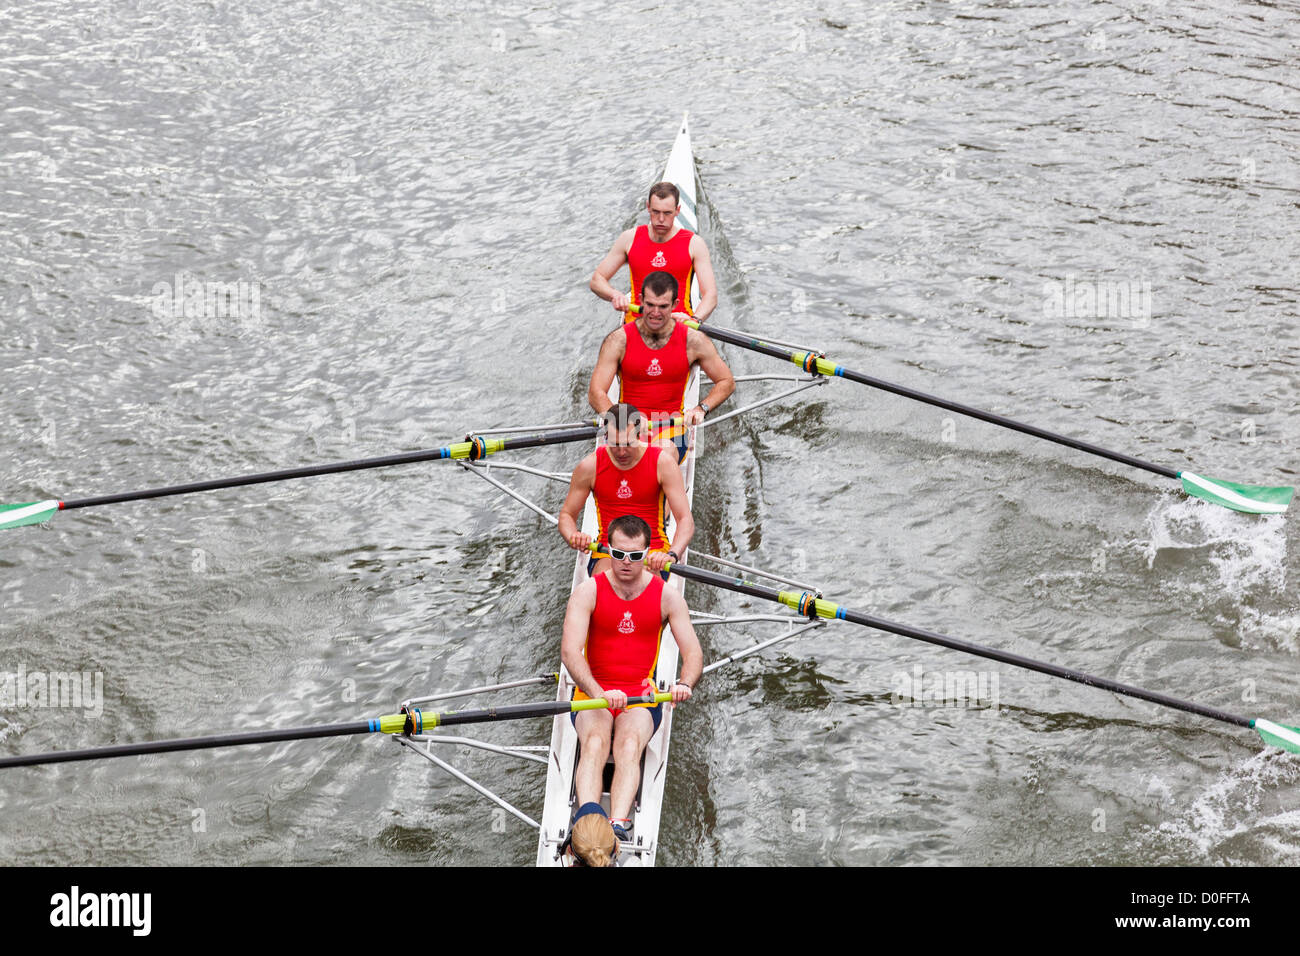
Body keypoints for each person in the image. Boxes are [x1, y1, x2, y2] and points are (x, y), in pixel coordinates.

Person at [561, 514, 703, 849]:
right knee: (595, 742)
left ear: (648, 553)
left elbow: (693, 653)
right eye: (619, 554)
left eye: (636, 556)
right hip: (593, 692)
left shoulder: (667, 597)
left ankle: (618, 823)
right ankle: (587, 821)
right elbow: (570, 653)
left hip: (640, 694)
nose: (627, 563)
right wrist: (599, 693)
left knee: (626, 745)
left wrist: (685, 682)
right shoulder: (587, 592)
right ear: (607, 550)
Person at [586, 271, 735, 462]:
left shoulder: (693, 341)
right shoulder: (618, 340)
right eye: (650, 305)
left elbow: (726, 381)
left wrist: (701, 409)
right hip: (626, 426)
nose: (655, 313)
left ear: (675, 305)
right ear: (640, 301)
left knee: (659, 457)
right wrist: (620, 422)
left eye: (663, 307)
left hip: (671, 427)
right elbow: (596, 393)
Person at [558, 403, 692, 576]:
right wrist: (573, 535)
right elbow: (566, 515)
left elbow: (685, 520)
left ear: (640, 435)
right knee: (607, 586)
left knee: (641, 588)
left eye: (628, 443)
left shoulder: (662, 463)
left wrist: (672, 555)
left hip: (652, 552)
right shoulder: (589, 466)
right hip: (607, 551)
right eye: (615, 444)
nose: (621, 452)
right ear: (605, 436)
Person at [589, 181, 717, 323]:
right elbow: (597, 280)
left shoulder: (694, 244)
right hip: (637, 324)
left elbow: (710, 295)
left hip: (677, 325)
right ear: (648, 207)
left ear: (677, 210)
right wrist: (615, 295)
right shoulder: (629, 239)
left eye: (667, 213)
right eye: (656, 212)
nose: (661, 219)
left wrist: (695, 319)